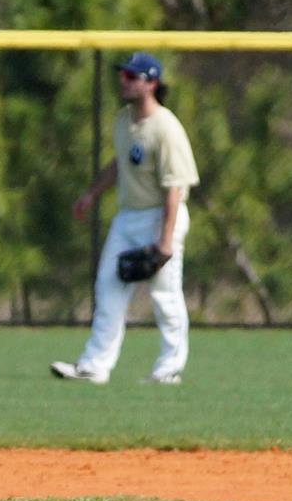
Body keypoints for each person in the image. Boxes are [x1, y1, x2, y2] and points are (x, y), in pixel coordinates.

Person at [51, 51, 199, 385]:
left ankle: (168, 368)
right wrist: (91, 193)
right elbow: (120, 163)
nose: (124, 80)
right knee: (108, 287)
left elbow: (175, 188)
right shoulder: (123, 120)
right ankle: (94, 366)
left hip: (160, 217)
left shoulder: (166, 128)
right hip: (128, 217)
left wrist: (165, 240)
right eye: (123, 74)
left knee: (165, 295)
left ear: (151, 83)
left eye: (132, 76)